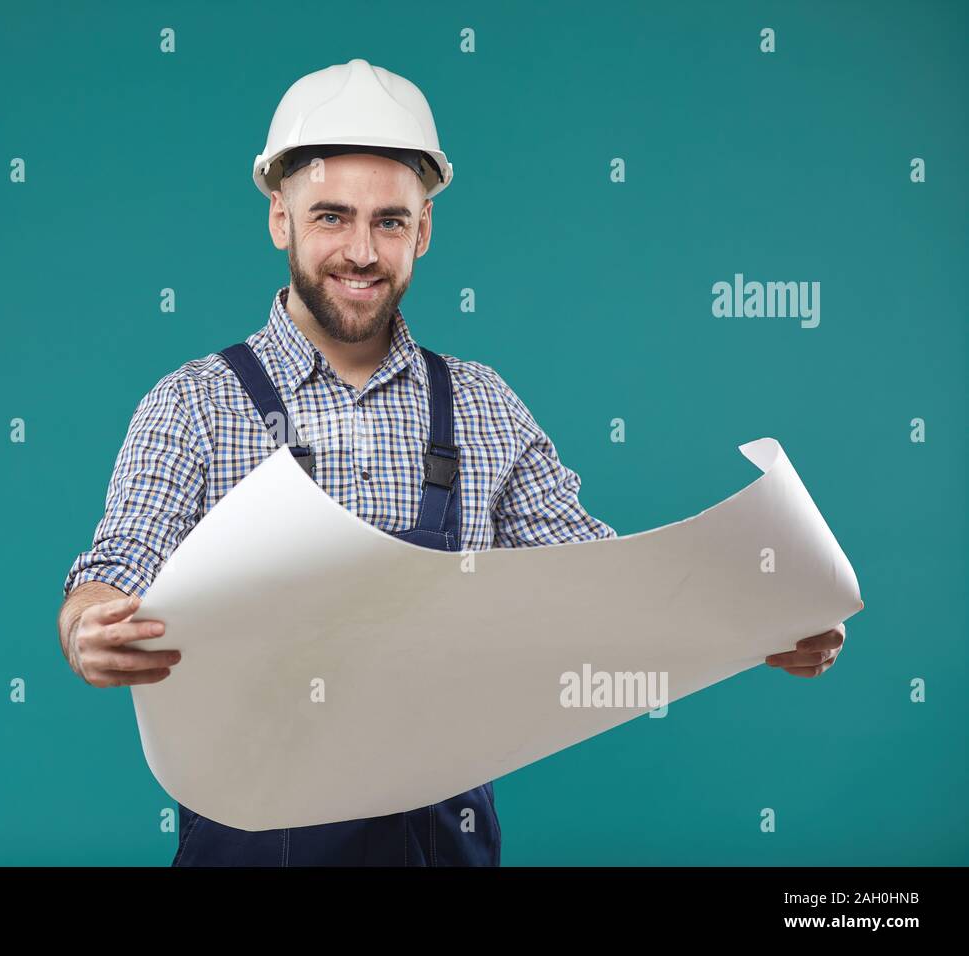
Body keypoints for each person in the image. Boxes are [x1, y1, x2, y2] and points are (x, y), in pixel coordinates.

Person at [56, 58, 848, 866]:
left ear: (423, 230)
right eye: (331, 216)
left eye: (390, 222)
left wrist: (763, 620)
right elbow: (116, 568)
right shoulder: (193, 404)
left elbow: (605, 586)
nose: (362, 252)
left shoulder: (482, 406)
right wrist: (90, 626)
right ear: (280, 220)